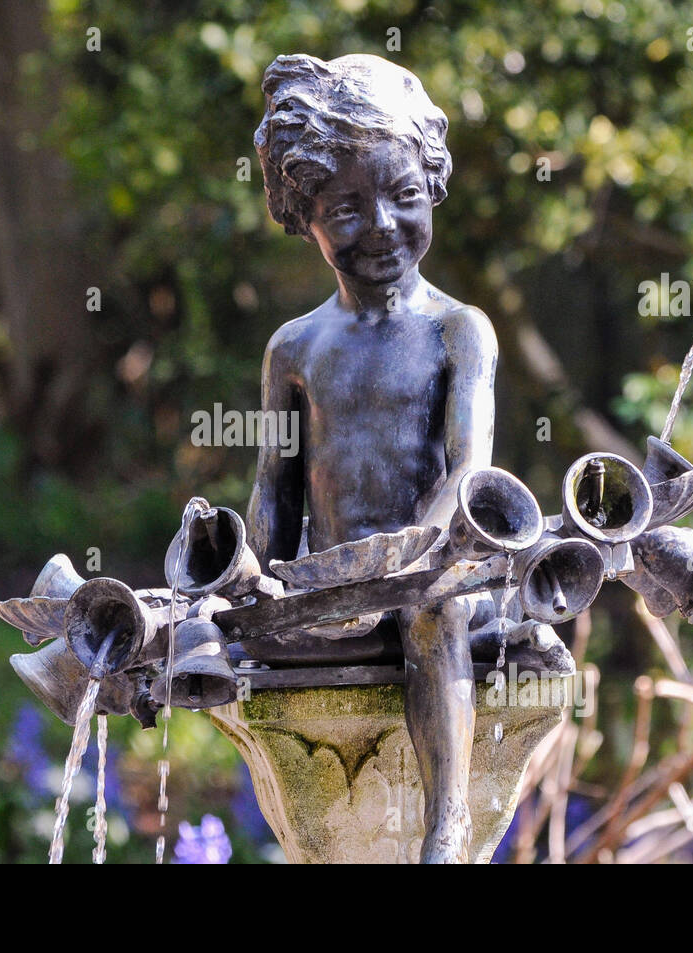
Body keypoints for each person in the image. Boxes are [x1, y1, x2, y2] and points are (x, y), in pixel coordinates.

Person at [246, 53, 560, 863]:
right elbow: (276, 494)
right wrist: (250, 583)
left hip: (444, 577)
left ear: (433, 189)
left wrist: (416, 560)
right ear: (301, 214)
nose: (381, 225)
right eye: (345, 208)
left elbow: (468, 472)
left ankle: (444, 822)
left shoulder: (459, 332)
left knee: (434, 611)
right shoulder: (294, 349)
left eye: (403, 196)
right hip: (337, 589)